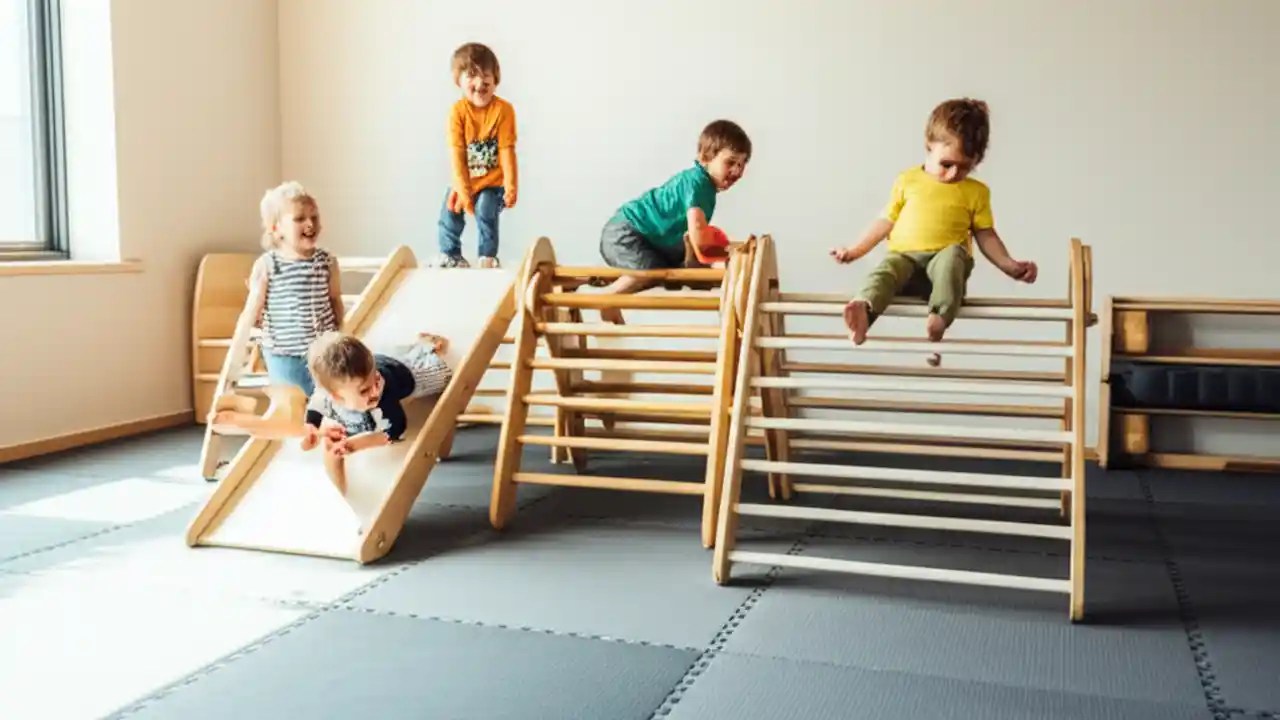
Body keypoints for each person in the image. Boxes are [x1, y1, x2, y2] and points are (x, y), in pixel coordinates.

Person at [831, 98, 1037, 364]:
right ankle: (863, 313)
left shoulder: (976, 193)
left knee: (953, 254)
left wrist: (1009, 265)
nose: (953, 175)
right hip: (905, 261)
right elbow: (885, 221)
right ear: (929, 146)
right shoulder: (907, 181)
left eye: (965, 167)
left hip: (943, 270)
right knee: (885, 270)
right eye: (947, 164)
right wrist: (854, 251)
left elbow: (986, 235)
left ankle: (939, 317)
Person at [595, 119, 751, 324]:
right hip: (626, 232)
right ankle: (606, 300)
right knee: (650, 272)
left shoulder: (703, 186)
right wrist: (723, 256)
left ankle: (589, 286)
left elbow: (691, 240)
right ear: (706, 158)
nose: (737, 171)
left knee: (669, 269)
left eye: (742, 164)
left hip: (648, 238)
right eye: (730, 162)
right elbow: (697, 233)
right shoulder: (698, 185)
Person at [302, 331, 453, 498]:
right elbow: (315, 406)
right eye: (364, 390)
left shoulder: (382, 392)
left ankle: (430, 348)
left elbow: (397, 428)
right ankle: (340, 496)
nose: (374, 390)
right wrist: (311, 426)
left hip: (404, 373)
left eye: (374, 381)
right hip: (379, 363)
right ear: (336, 397)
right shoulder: (325, 394)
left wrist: (359, 443)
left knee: (442, 374)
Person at [248, 181, 343, 397]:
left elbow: (335, 299)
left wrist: (337, 332)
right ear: (276, 228)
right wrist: (253, 335)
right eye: (299, 219)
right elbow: (255, 307)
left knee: (325, 402)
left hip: (324, 353)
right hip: (284, 353)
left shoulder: (327, 262)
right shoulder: (268, 264)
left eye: (314, 217)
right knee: (291, 402)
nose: (310, 223)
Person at [435, 42, 518, 269]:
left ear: (495, 79)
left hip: (492, 183)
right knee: (450, 210)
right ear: (458, 80)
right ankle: (450, 254)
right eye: (472, 75)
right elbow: (457, 155)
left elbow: (506, 150)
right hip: (465, 181)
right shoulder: (457, 112)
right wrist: (462, 190)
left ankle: (487, 256)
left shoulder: (504, 111)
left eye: (486, 76)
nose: (480, 82)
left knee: (485, 209)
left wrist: (511, 187)